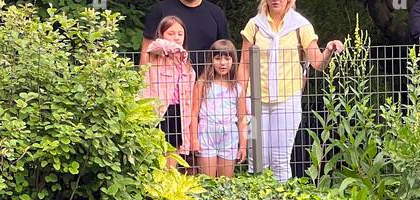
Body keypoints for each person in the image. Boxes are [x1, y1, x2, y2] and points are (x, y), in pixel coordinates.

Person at [239, 0, 343, 183]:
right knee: (256, 160)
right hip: (254, 101)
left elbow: (318, 63)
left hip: (287, 101)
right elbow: (244, 67)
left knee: (280, 159)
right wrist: (240, 100)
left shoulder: (301, 25)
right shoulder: (254, 25)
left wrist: (329, 49)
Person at [142, 17, 196, 169]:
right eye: (171, 33)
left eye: (180, 34)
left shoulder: (185, 62)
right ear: (162, 34)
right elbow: (154, 45)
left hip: (179, 111)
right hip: (160, 111)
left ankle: (169, 183)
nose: (176, 37)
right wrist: (174, 47)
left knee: (174, 150)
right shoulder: (157, 54)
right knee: (157, 151)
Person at [191, 40, 247, 177]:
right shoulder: (203, 84)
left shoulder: (237, 88)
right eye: (217, 58)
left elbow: (242, 118)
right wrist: (194, 139)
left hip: (229, 135)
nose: (222, 63)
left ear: (233, 60)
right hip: (206, 133)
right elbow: (193, 114)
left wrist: (243, 145)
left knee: (225, 182)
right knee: (207, 181)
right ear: (211, 60)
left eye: (227, 58)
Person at [142, 0, 230, 67]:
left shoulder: (217, 13)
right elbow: (146, 53)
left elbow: (226, 53)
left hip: (207, 84)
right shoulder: (160, 10)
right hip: (166, 84)